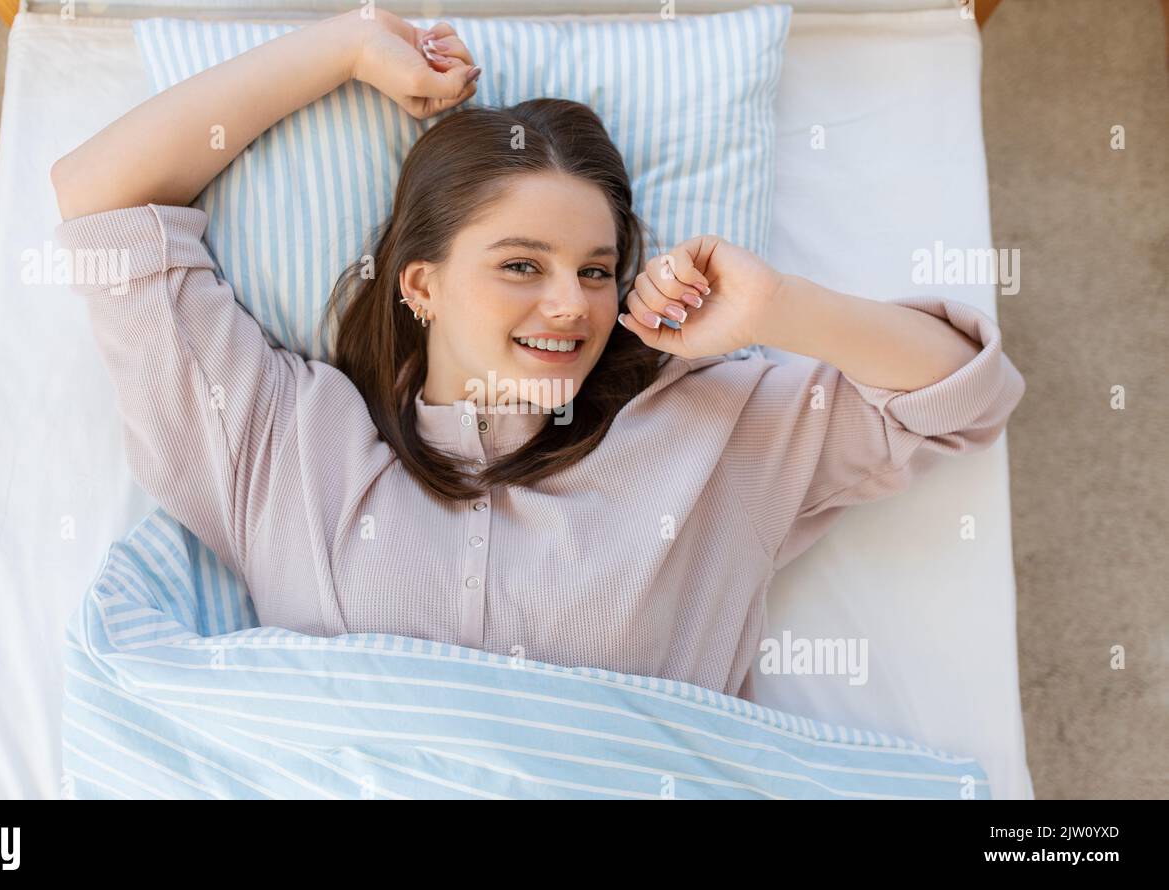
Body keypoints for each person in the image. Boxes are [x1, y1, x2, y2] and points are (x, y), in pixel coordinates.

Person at [51, 8, 1025, 699]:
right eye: (522, 263)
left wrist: (777, 307)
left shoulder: (710, 428)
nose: (571, 303)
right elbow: (103, 198)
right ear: (420, 284)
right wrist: (346, 43)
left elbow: (962, 395)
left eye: (597, 270)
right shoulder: (281, 434)